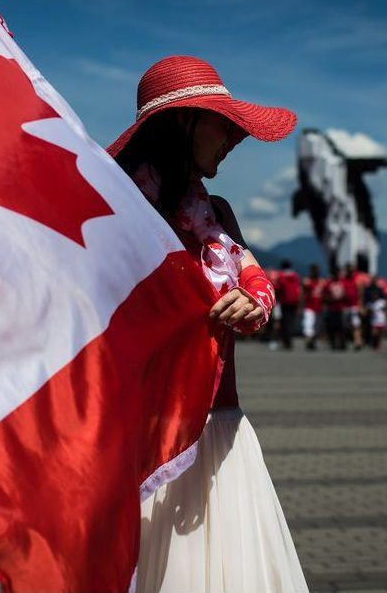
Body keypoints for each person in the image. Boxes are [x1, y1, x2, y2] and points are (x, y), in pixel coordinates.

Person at [109, 55, 307, 592]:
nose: (231, 137)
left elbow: (253, 279)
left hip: (219, 428)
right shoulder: (119, 212)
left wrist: (255, 301)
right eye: (220, 121)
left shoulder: (216, 213)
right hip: (146, 438)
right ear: (183, 122)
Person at [275, 260, 302, 350]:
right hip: (294, 301)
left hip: (284, 302)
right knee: (291, 321)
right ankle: (290, 340)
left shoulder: (281, 276)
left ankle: (286, 341)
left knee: (285, 322)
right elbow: (298, 289)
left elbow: (278, 288)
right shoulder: (295, 276)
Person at [302, 263, 325, 351]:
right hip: (309, 307)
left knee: (317, 327)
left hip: (319, 307)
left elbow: (326, 295)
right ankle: (309, 341)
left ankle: (313, 341)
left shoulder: (322, 282)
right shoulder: (307, 281)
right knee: (308, 326)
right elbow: (303, 295)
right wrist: (301, 306)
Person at [324, 266, 347, 351]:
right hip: (332, 308)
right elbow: (324, 295)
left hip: (340, 308)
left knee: (341, 327)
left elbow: (346, 294)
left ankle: (342, 344)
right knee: (332, 327)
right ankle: (333, 343)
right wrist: (331, 298)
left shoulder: (342, 283)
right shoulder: (329, 283)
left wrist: (341, 297)